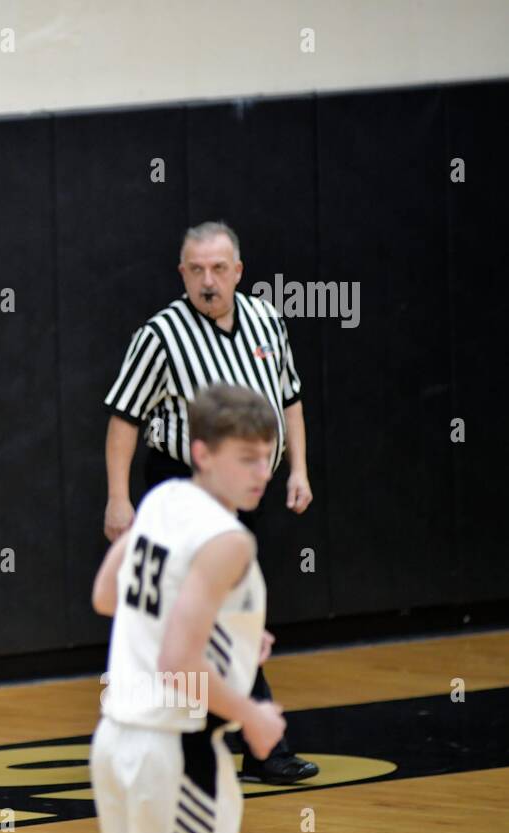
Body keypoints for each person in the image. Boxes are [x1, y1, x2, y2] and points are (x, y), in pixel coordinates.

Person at [101, 221, 317, 785]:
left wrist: (297, 468)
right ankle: (261, 741)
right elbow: (125, 418)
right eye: (196, 270)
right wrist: (119, 499)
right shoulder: (160, 334)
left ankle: (205, 736)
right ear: (181, 274)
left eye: (219, 269)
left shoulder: (268, 320)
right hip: (187, 485)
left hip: (252, 488)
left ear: (239, 272)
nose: (208, 280)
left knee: (229, 615)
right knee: (220, 615)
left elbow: (289, 397)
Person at [91, 384, 287, 833]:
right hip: (176, 751)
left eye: (267, 457)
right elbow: (178, 663)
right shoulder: (229, 539)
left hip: (115, 743)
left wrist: (233, 639)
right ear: (201, 452)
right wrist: (254, 716)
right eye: (246, 459)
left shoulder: (164, 500)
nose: (262, 473)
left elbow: (108, 595)